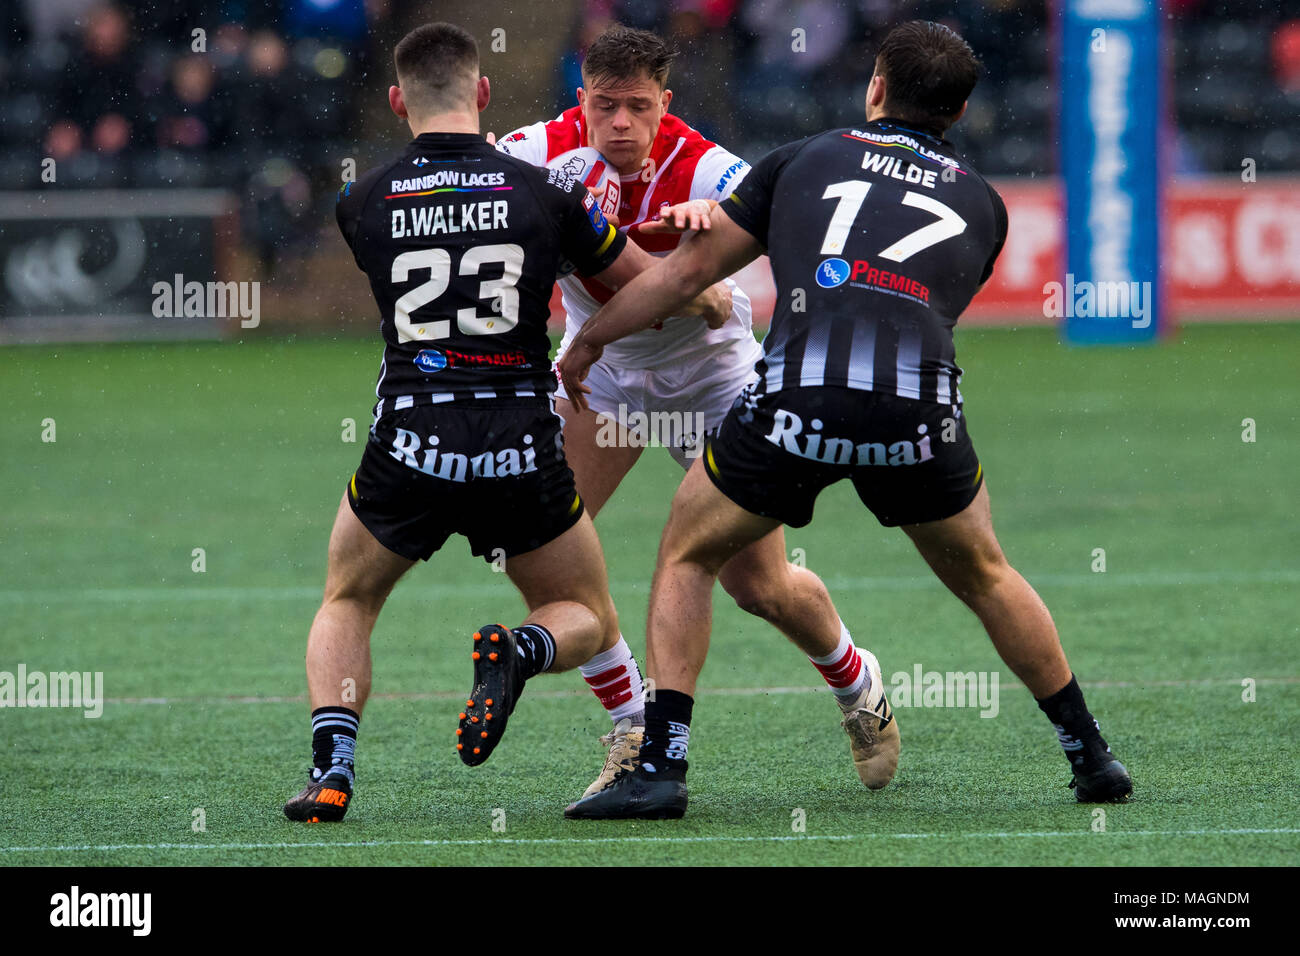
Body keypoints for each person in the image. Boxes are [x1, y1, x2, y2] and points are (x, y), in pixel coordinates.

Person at [559, 20, 1133, 819]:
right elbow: (924, 303)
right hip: (916, 407)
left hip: (797, 402)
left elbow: (689, 271)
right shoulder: (985, 204)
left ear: (874, 86)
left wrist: (589, 338)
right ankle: (1091, 754)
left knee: (687, 555)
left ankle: (662, 770)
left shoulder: (805, 159)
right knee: (986, 574)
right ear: (960, 113)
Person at [282, 21, 724, 823]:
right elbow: (646, 286)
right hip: (520, 446)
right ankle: (522, 651)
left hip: (411, 441)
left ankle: (331, 772)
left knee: (348, 599)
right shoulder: (547, 196)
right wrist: (702, 287)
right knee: (587, 616)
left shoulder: (361, 202)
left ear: (396, 101)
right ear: (484, 94)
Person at [495, 23, 895, 804]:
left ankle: (855, 679)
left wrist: (714, 245)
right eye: (603, 105)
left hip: (711, 376)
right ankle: (632, 725)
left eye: (636, 107)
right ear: (581, 99)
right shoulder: (535, 151)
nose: (618, 124)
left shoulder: (709, 167)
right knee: (536, 549)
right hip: (603, 369)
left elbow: (805, 237)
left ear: (664, 104)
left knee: (759, 584)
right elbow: (476, 193)